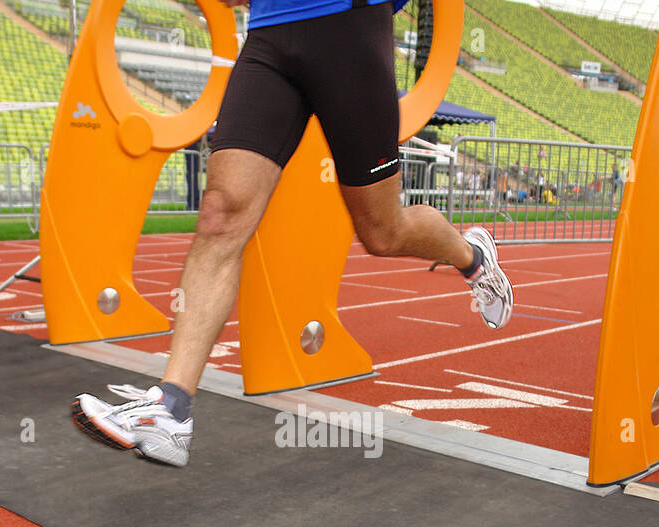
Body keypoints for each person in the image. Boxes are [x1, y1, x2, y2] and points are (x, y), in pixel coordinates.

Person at [72, 0, 513, 467]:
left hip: (347, 28)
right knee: (221, 214)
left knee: (383, 233)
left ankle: (472, 257)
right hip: (269, 33)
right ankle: (172, 410)